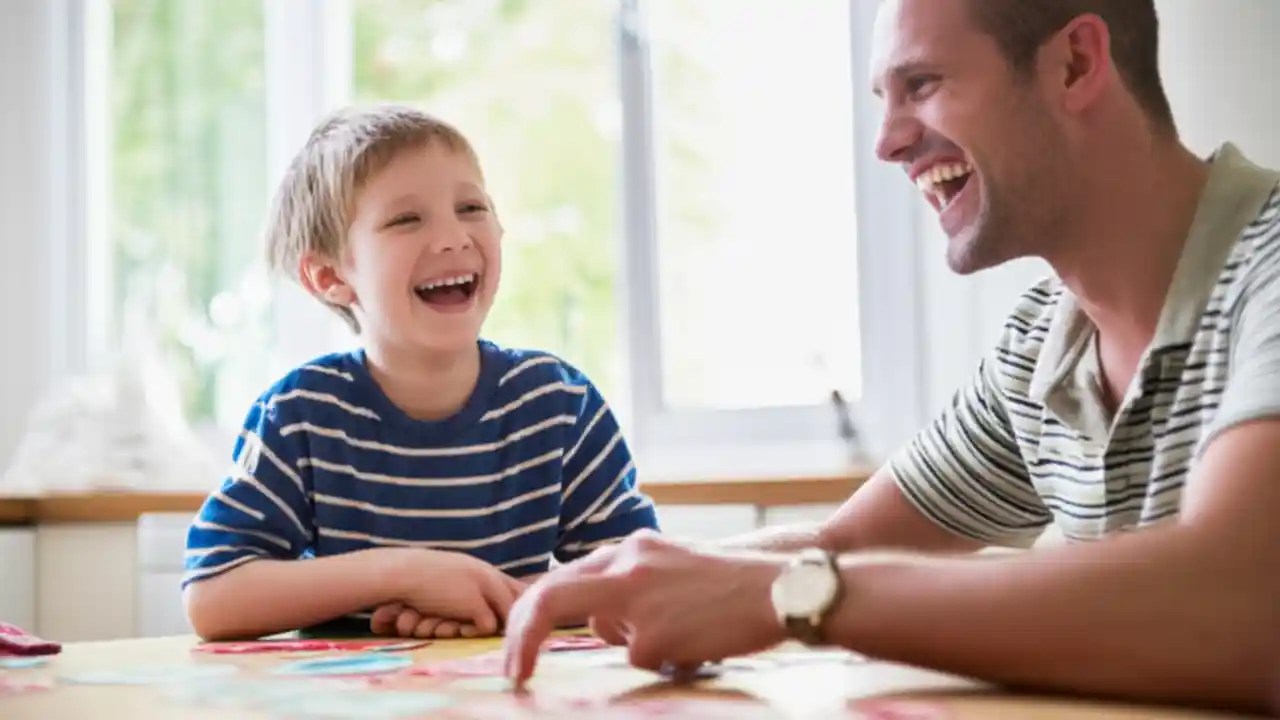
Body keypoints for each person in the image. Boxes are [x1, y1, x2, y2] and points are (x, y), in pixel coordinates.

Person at [501, 0, 1280, 712]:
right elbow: (840, 548)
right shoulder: (1045, 339)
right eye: (885, 98)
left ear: (1075, 63)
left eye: (923, 84)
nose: (887, 141)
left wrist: (792, 598)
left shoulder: (1268, 264)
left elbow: (1245, 603)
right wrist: (579, 585)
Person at [183, 106, 658, 642]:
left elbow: (638, 577)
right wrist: (409, 573)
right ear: (330, 276)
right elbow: (212, 597)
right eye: (407, 219)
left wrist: (505, 602)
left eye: (471, 207)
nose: (454, 237)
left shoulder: (559, 404)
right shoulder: (299, 416)